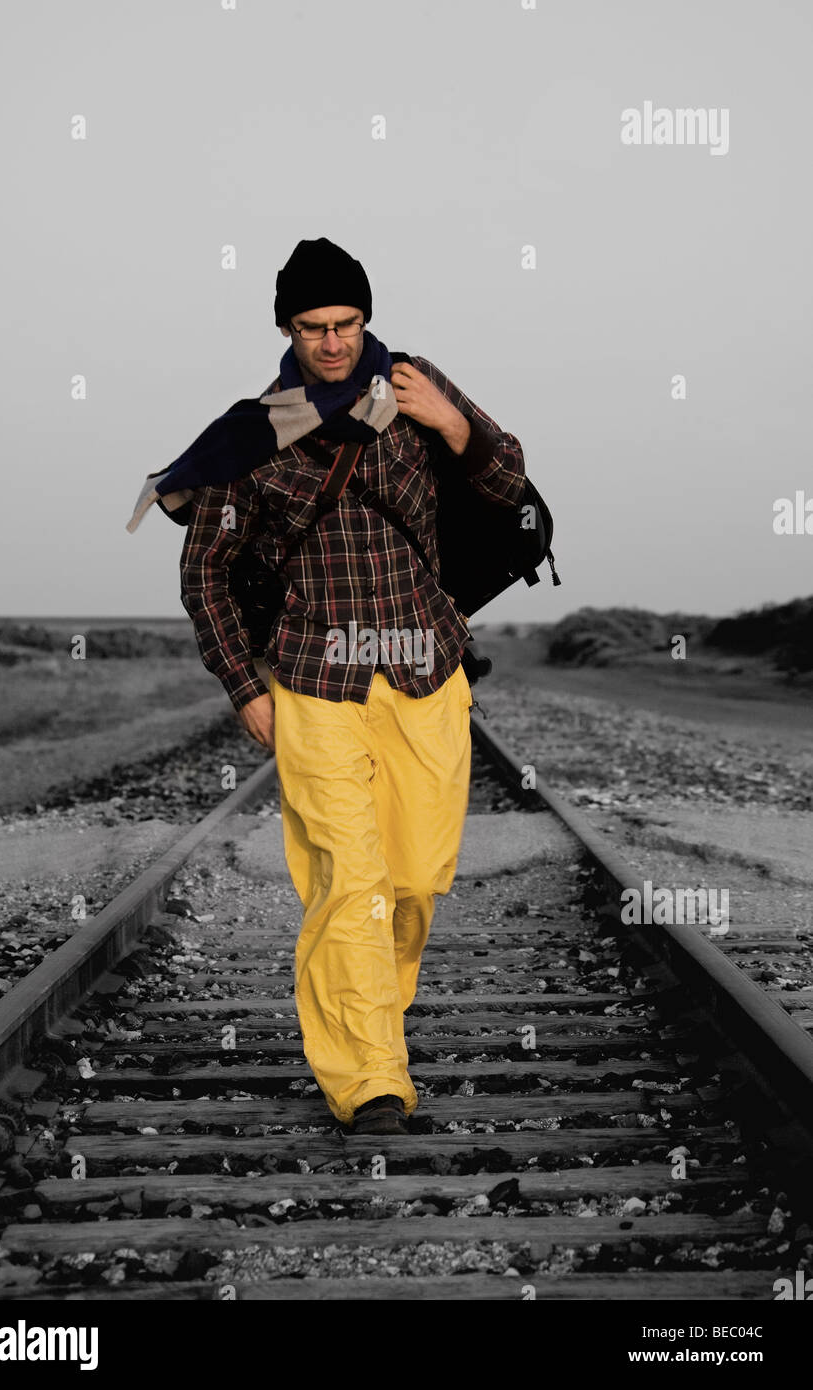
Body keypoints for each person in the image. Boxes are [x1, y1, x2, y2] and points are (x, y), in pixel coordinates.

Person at [178, 237, 526, 1135]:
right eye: (310, 328)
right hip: (312, 682)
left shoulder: (417, 386)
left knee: (413, 881)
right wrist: (242, 688)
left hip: (426, 672)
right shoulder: (252, 435)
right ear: (286, 330)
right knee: (349, 881)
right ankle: (369, 1074)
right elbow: (205, 572)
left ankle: (371, 1012)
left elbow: (509, 482)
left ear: (366, 320)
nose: (331, 344)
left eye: (345, 324)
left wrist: (454, 425)